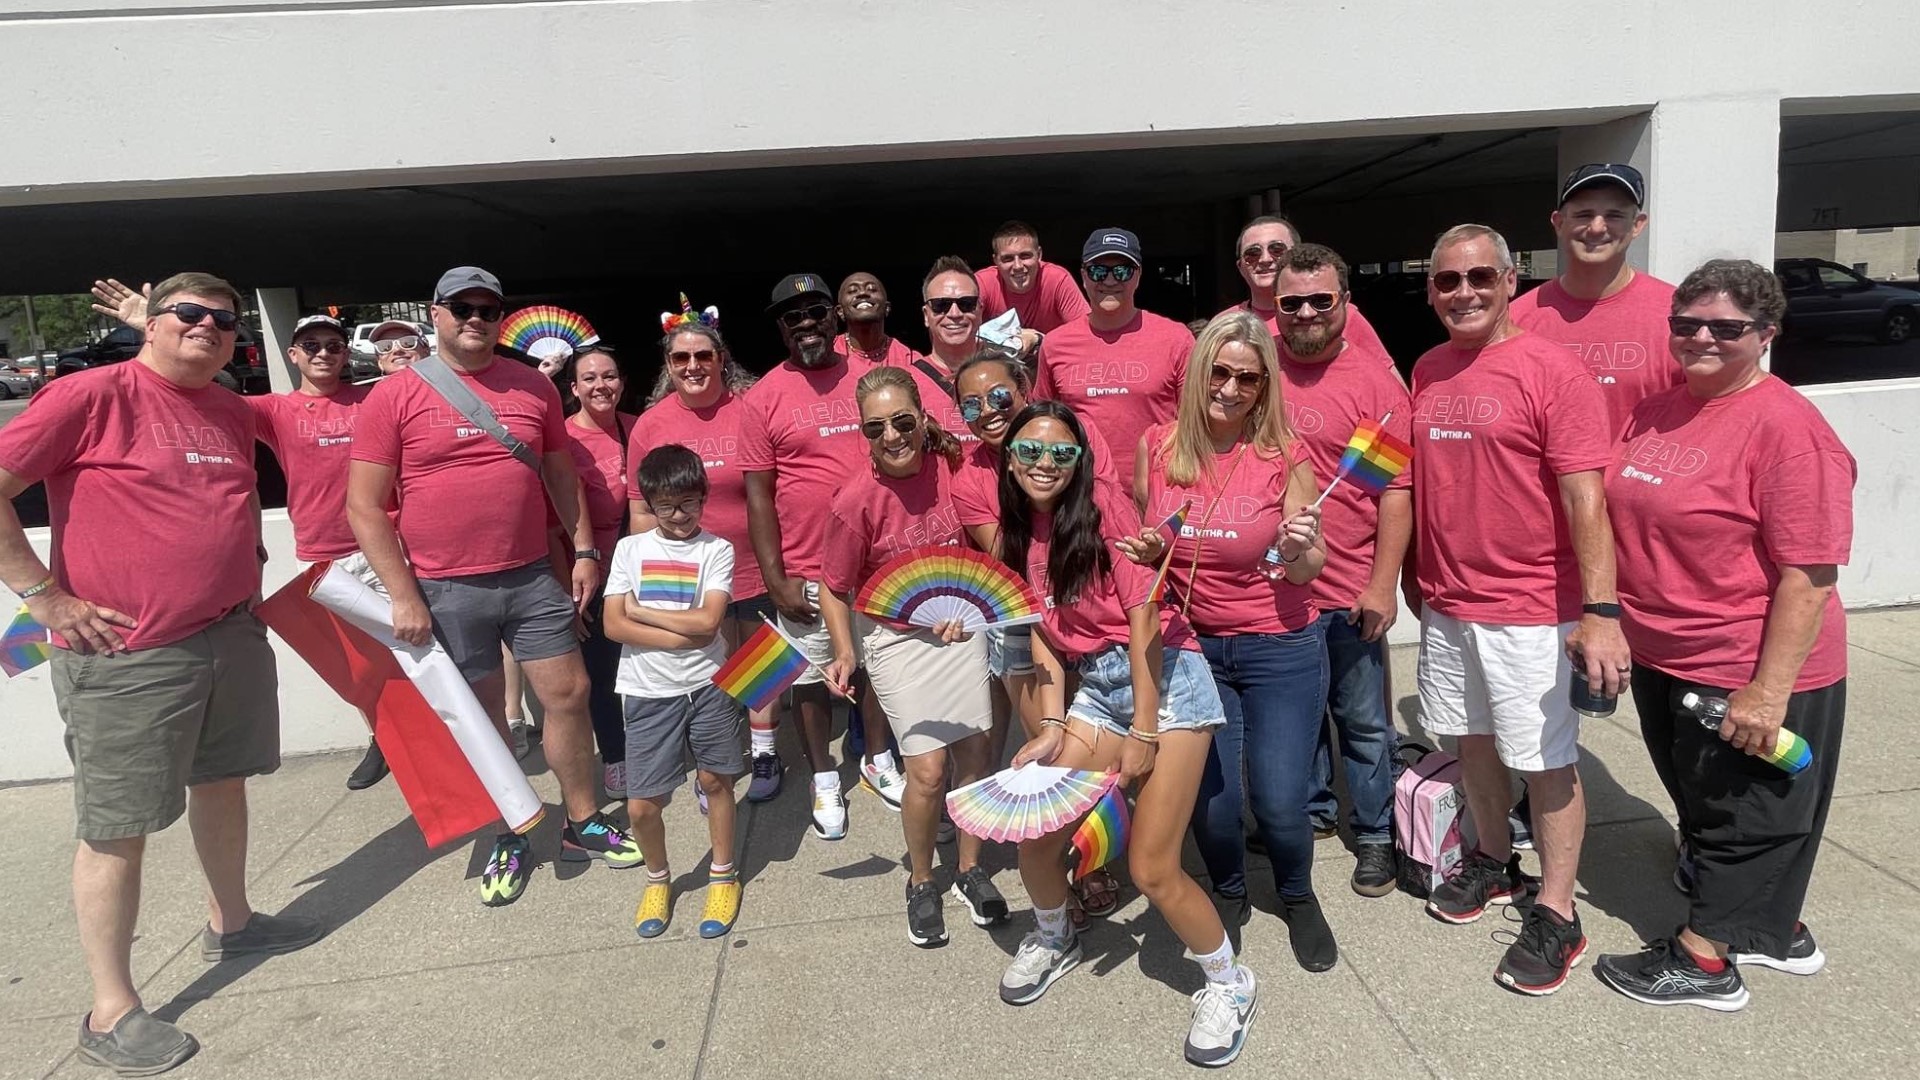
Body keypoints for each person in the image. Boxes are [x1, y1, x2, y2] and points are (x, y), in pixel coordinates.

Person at [0, 272, 322, 1075]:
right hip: (128, 656)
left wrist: (243, 575)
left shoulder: (227, 406)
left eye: (225, 320)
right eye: (190, 315)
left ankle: (234, 920)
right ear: (154, 324)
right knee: (118, 827)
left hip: (226, 636)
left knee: (224, 782)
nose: (209, 329)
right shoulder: (93, 395)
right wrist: (41, 597)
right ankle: (111, 1008)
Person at [1593, 259, 1855, 1011]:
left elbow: (1809, 575)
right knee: (1705, 803)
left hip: (1747, 658)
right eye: (1687, 323)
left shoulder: (1788, 429)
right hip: (1667, 648)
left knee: (1746, 814)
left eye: (1727, 327)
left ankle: (1705, 964)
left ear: (1766, 334)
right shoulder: (1660, 408)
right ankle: (1772, 928)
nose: (1702, 337)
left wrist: (1766, 692)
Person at [348, 266, 642, 909]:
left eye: (487, 308)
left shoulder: (533, 388)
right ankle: (505, 830)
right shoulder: (394, 395)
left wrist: (585, 549)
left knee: (569, 694)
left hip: (533, 574)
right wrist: (402, 595)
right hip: (446, 588)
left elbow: (562, 476)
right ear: (436, 312)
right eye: (462, 307)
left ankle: (582, 818)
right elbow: (365, 506)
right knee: (481, 720)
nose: (475, 318)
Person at [992, 400, 1256, 1067]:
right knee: (1037, 837)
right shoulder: (1013, 533)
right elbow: (1044, 640)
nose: (1044, 464)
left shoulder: (1105, 509)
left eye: (1060, 452)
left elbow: (1144, 624)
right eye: (1029, 451)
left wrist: (1144, 728)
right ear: (1009, 457)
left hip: (1167, 681)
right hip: (1098, 686)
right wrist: (1052, 724)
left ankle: (1230, 983)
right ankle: (1056, 938)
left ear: (1080, 460)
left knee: (1152, 867)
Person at [1410, 226, 1631, 996]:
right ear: (1431, 290)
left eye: (1478, 277)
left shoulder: (1553, 370)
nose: (1462, 293)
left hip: (1535, 609)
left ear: (1510, 281)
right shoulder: (1429, 368)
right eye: (1446, 281)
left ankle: (1558, 911)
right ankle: (1493, 862)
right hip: (1450, 606)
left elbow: (1585, 496)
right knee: (1472, 744)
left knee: (1546, 763)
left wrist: (1600, 610)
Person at [1119, 311, 1335, 970]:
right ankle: (1231, 891)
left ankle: (1297, 895)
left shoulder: (1285, 453)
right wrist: (1150, 548)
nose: (1232, 387)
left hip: (1280, 646)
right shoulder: (1155, 446)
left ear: (1265, 385)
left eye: (1249, 376)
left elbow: (1310, 566)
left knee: (1277, 800)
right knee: (1213, 806)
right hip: (1193, 650)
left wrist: (1300, 548)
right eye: (1220, 371)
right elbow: (1144, 544)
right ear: (1197, 373)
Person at [819, 366, 1006, 946]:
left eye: (903, 421)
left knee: (975, 756)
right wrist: (845, 651)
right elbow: (833, 586)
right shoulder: (856, 501)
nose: (893, 436)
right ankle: (922, 879)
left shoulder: (957, 468)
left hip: (964, 624)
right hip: (898, 639)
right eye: (876, 428)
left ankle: (970, 870)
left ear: (924, 418)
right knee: (925, 772)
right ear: (863, 433)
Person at [739, 273, 905, 840]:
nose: (806, 323)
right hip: (807, 570)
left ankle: (878, 759)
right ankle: (823, 775)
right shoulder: (762, 397)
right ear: (781, 329)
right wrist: (775, 578)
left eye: (815, 312)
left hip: (877, 562)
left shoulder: (872, 380)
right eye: (792, 317)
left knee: (878, 669)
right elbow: (758, 498)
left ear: (834, 316)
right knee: (810, 681)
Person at [1271, 244, 1413, 897]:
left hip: (1349, 585)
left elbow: (1393, 492)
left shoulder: (1374, 383)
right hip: (1273, 589)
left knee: (1361, 720)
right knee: (1297, 718)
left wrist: (1383, 584)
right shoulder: (1253, 369)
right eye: (1291, 302)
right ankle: (1315, 811)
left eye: (1319, 300)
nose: (1305, 313)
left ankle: (1378, 835)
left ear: (1344, 303)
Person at [630, 311, 784, 801]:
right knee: (708, 668)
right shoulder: (651, 424)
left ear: (722, 359)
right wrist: (650, 573)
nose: (692, 366)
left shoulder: (753, 409)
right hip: (685, 575)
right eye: (681, 358)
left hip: (751, 561)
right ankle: (714, 763)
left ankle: (763, 751)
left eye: (702, 355)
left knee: (760, 663)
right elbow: (639, 509)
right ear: (667, 365)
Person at [605, 444, 745, 940]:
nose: (679, 515)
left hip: (708, 686)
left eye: (688, 502)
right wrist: (678, 632)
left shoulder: (717, 549)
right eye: (665, 505)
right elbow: (612, 625)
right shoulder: (630, 549)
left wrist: (641, 611)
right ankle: (658, 878)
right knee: (643, 804)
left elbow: (709, 624)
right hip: (647, 691)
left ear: (704, 497)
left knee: (716, 783)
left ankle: (723, 874)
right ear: (648, 504)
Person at [249, 313, 393, 791]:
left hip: (387, 545)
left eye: (333, 345)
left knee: (418, 647)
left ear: (346, 353)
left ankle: (437, 737)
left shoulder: (373, 399)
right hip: (320, 555)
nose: (323, 353)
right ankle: (383, 740)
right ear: (293, 355)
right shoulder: (274, 410)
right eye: (310, 345)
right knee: (357, 660)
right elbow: (200, 396)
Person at [1510, 163, 1683, 435]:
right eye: (1583, 214)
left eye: (1614, 215)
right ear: (1558, 223)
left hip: (1636, 477)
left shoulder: (1680, 315)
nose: (1597, 227)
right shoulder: (1517, 317)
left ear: (1638, 225)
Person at [1034, 227, 1195, 484]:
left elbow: (1195, 422)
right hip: (1081, 495)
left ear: (1138, 276)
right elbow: (1043, 423)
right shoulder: (1055, 344)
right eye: (1098, 271)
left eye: (1122, 271)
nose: (1110, 281)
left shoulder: (1177, 338)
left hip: (1158, 491)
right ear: (1084, 276)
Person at [564, 343, 639, 797]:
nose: (600, 385)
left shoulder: (639, 428)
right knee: (602, 670)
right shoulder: (564, 441)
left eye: (609, 376)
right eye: (589, 378)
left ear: (622, 383)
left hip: (646, 572)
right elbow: (556, 523)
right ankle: (615, 755)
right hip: (595, 575)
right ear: (573, 388)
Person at [1223, 215, 1389, 358]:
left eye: (1277, 249)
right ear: (1240, 267)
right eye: (1252, 254)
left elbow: (1385, 383)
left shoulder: (1338, 313)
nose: (1265, 259)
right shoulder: (1223, 323)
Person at [974, 220, 1091, 338]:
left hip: (1049, 353)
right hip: (994, 355)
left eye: (1025, 256)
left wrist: (1037, 339)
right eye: (1008, 259)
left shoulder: (1057, 279)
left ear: (1039, 255)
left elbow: (1085, 332)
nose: (1018, 266)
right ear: (996, 261)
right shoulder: (982, 282)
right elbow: (961, 329)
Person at [835, 271, 918, 367]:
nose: (862, 293)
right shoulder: (827, 353)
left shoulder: (909, 360)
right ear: (840, 311)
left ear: (887, 307)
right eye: (852, 291)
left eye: (872, 289)